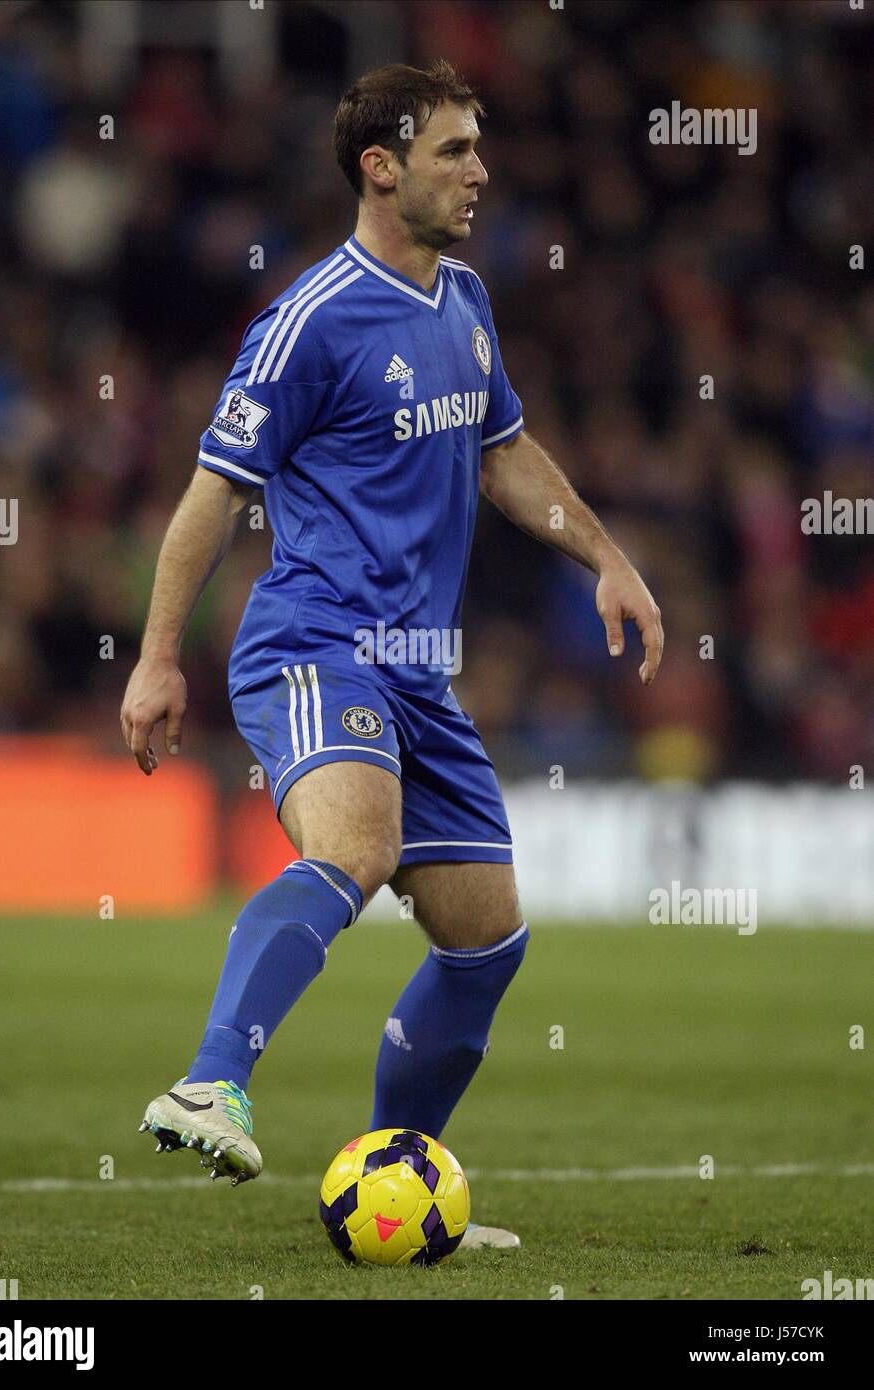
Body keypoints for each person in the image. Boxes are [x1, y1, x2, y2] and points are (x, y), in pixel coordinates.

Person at [120, 60, 664, 1251]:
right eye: (453, 151)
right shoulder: (308, 321)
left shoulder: (463, 298)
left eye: (476, 148)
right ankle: (210, 1081)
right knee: (355, 851)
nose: (480, 172)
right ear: (380, 168)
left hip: (419, 671)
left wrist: (605, 555)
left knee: (486, 940)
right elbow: (213, 495)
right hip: (315, 642)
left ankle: (398, 1179)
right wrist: (158, 657)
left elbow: (503, 450)